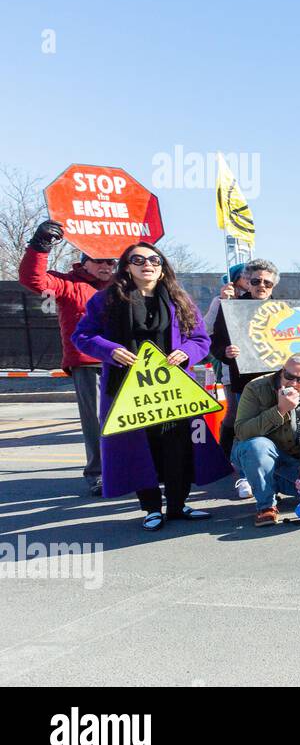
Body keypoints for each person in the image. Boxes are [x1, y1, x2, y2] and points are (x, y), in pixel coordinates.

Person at [71, 243, 230, 529]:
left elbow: (200, 340)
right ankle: (151, 508)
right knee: (140, 450)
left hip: (171, 391)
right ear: (127, 266)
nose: (148, 264)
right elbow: (82, 336)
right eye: (139, 259)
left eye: (154, 259)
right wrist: (110, 350)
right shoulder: (107, 300)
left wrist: (186, 353)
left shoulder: (179, 299)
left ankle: (179, 505)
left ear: (162, 266)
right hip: (127, 389)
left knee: (178, 448)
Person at [19, 220, 114, 494]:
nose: (106, 266)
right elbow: (33, 279)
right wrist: (40, 245)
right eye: (98, 260)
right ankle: (98, 473)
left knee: (134, 419)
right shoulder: (66, 284)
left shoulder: (122, 284)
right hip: (89, 362)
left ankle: (131, 469)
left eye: (110, 261)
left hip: (127, 361)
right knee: (97, 421)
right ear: (84, 262)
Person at [232, 353, 300, 527]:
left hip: (294, 461)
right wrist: (280, 410)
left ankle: (268, 482)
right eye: (288, 376)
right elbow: (242, 432)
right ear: (282, 371)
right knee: (257, 446)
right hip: (258, 455)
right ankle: (266, 506)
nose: (293, 383)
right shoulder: (256, 387)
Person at [208, 257, 280, 498]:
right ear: (246, 283)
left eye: (267, 283)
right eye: (256, 281)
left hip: (279, 381)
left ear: (274, 286)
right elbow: (215, 343)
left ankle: (275, 473)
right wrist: (225, 353)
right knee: (246, 429)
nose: (262, 285)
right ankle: (244, 476)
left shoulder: (285, 308)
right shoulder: (231, 308)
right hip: (244, 382)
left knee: (278, 428)